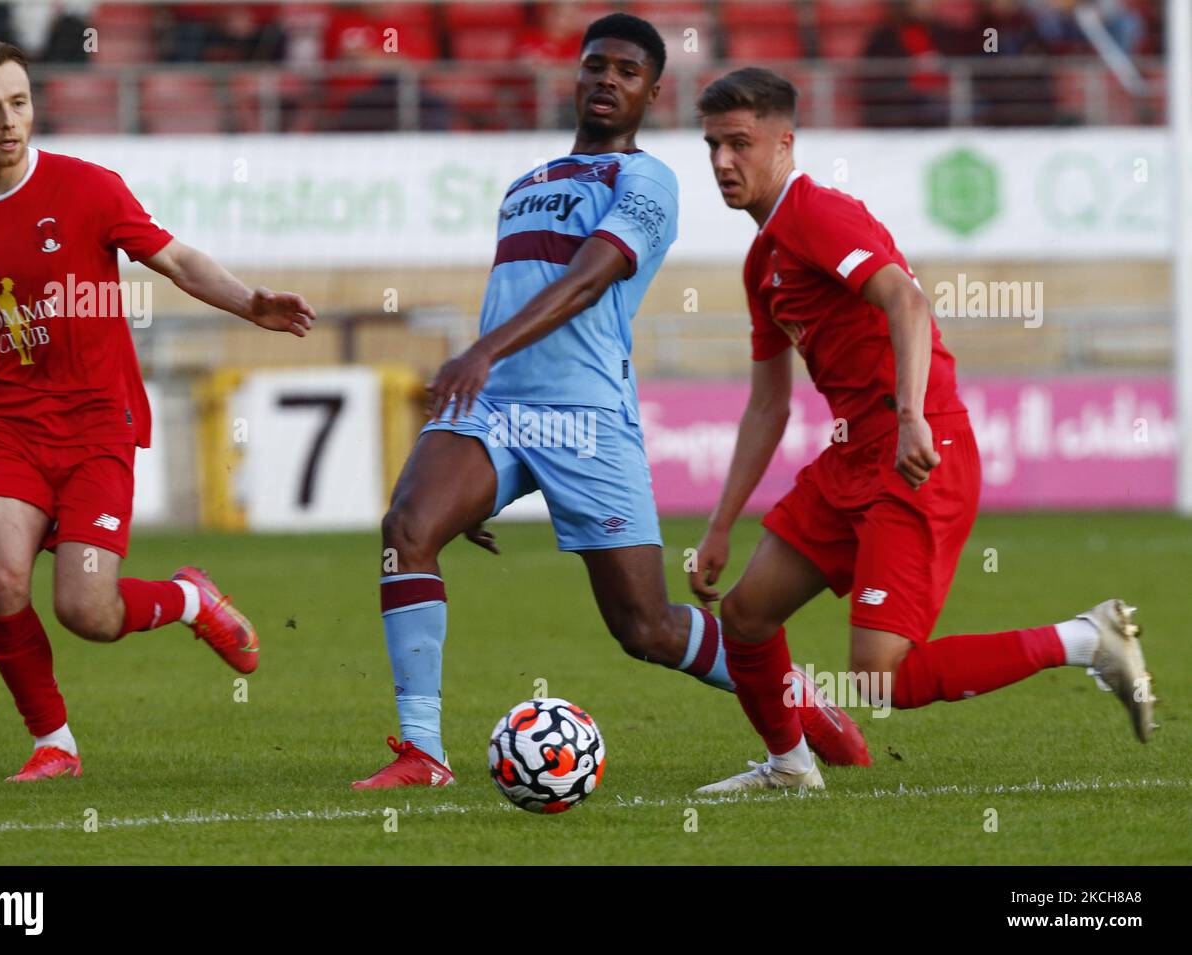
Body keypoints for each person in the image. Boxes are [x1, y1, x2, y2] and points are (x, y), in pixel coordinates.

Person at [352, 15, 868, 791]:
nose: (607, 80)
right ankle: (423, 753)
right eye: (596, 65)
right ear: (577, 75)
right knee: (408, 526)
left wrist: (481, 351)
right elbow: (516, 292)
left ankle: (795, 696)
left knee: (645, 627)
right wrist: (478, 439)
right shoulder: (526, 184)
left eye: (627, 71)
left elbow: (592, 277)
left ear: (651, 93)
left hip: (585, 417)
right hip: (492, 406)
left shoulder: (647, 181)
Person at [689, 67, 1156, 794]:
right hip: (850, 457)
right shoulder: (763, 263)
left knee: (879, 679)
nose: (723, 161)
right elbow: (767, 405)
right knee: (747, 615)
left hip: (918, 450)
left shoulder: (817, 213)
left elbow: (905, 300)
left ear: (785, 142)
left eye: (739, 144)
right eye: (713, 144)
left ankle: (1088, 639)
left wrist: (910, 414)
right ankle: (789, 766)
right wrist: (719, 527)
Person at [0, 39, 317, 782]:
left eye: (20, 102)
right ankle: (54, 741)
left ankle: (190, 598)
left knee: (87, 611)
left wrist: (252, 303)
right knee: (0, 579)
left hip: (97, 425)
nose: (8, 121)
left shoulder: (88, 188)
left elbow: (178, 260)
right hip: (13, 429)